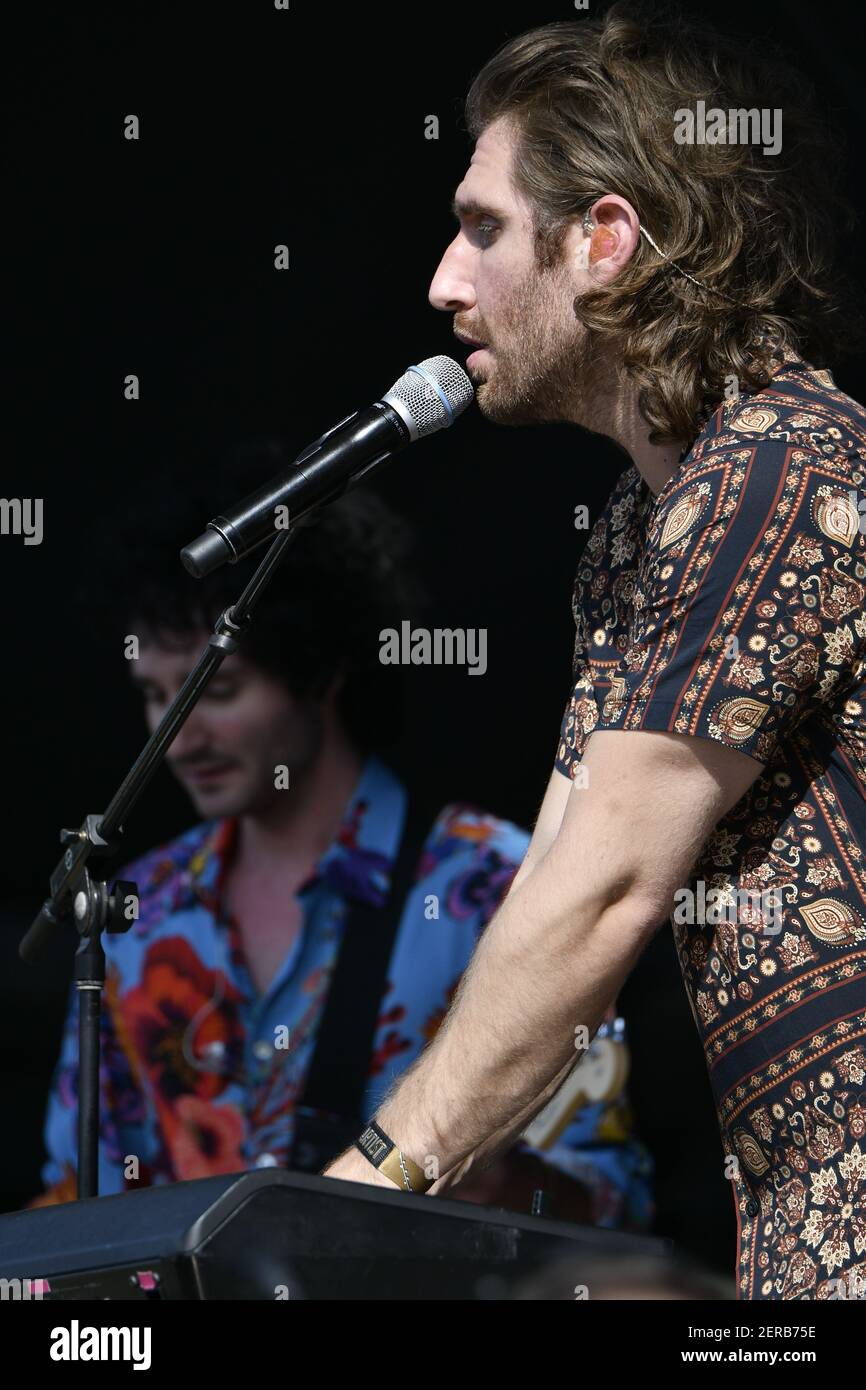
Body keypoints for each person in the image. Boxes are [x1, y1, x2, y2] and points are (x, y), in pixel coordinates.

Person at [321, 7, 866, 1302]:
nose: (445, 282)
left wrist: (367, 1185)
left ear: (604, 241)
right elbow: (557, 893)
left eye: (483, 227)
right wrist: (360, 1196)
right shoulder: (644, 522)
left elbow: (604, 898)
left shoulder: (778, 462)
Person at [28, 453, 653, 1233]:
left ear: (319, 673)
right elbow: (68, 1206)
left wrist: (480, 1168)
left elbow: (609, 1201)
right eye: (155, 696)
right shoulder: (134, 910)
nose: (177, 736)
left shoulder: (497, 881)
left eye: (216, 691)